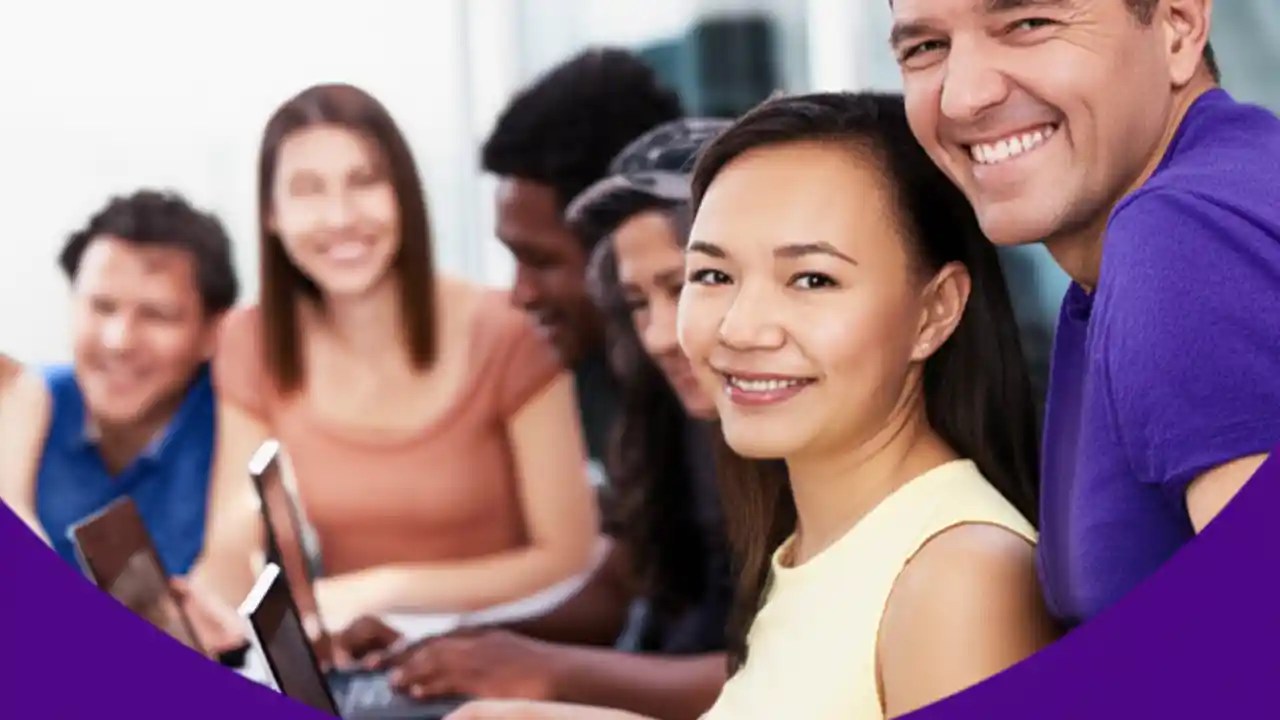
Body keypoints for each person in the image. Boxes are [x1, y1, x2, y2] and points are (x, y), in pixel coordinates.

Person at [450, 91, 1058, 720]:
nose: (740, 329)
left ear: (935, 311)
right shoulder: (807, 543)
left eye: (812, 279)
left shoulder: (958, 581)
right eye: (712, 276)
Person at [890, 0, 1280, 628]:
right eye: (925, 49)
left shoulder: (1183, 240)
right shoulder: (1218, 198)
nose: (963, 97)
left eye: (1029, 24)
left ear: (1178, 25)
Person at [189, 83, 599, 632]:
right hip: (354, 671)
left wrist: (382, 590)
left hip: (501, 659)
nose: (340, 216)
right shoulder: (251, 339)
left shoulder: (508, 335)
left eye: (364, 182)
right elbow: (233, 543)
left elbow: (568, 556)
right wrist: (196, 614)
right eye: (307, 190)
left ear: (404, 194)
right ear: (271, 215)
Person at [363, 119, 736, 720]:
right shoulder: (667, 401)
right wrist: (463, 648)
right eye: (638, 300)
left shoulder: (800, 437)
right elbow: (623, 583)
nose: (660, 334)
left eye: (690, 284)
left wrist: (547, 673)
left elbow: (788, 682)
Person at [0, 190, 237, 576]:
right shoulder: (29, 402)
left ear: (214, 331)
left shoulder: (238, 426)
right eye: (101, 306)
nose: (119, 341)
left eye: (157, 315)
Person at [480, 47, 684, 472]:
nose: (520, 294)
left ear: (622, 244)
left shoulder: (721, 398)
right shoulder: (581, 381)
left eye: (541, 261)